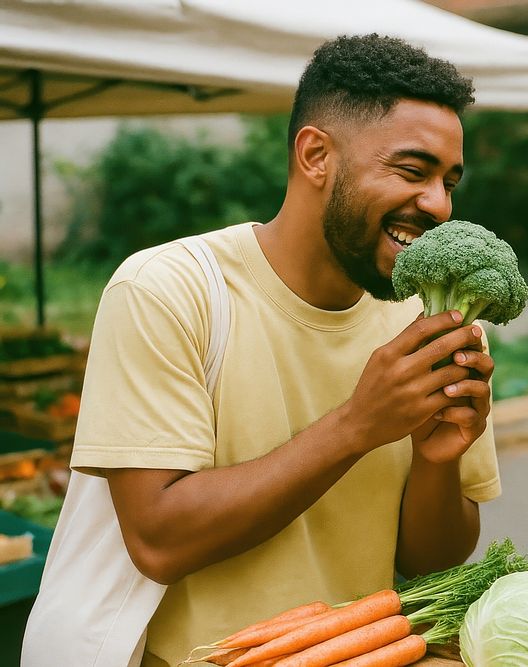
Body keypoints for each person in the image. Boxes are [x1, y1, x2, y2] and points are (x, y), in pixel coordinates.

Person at [23, 34, 501, 667]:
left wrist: (437, 460)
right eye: (413, 172)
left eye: (449, 181)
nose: (439, 203)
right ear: (315, 155)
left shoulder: (432, 318)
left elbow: (431, 559)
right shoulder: (168, 291)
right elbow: (158, 540)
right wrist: (357, 426)